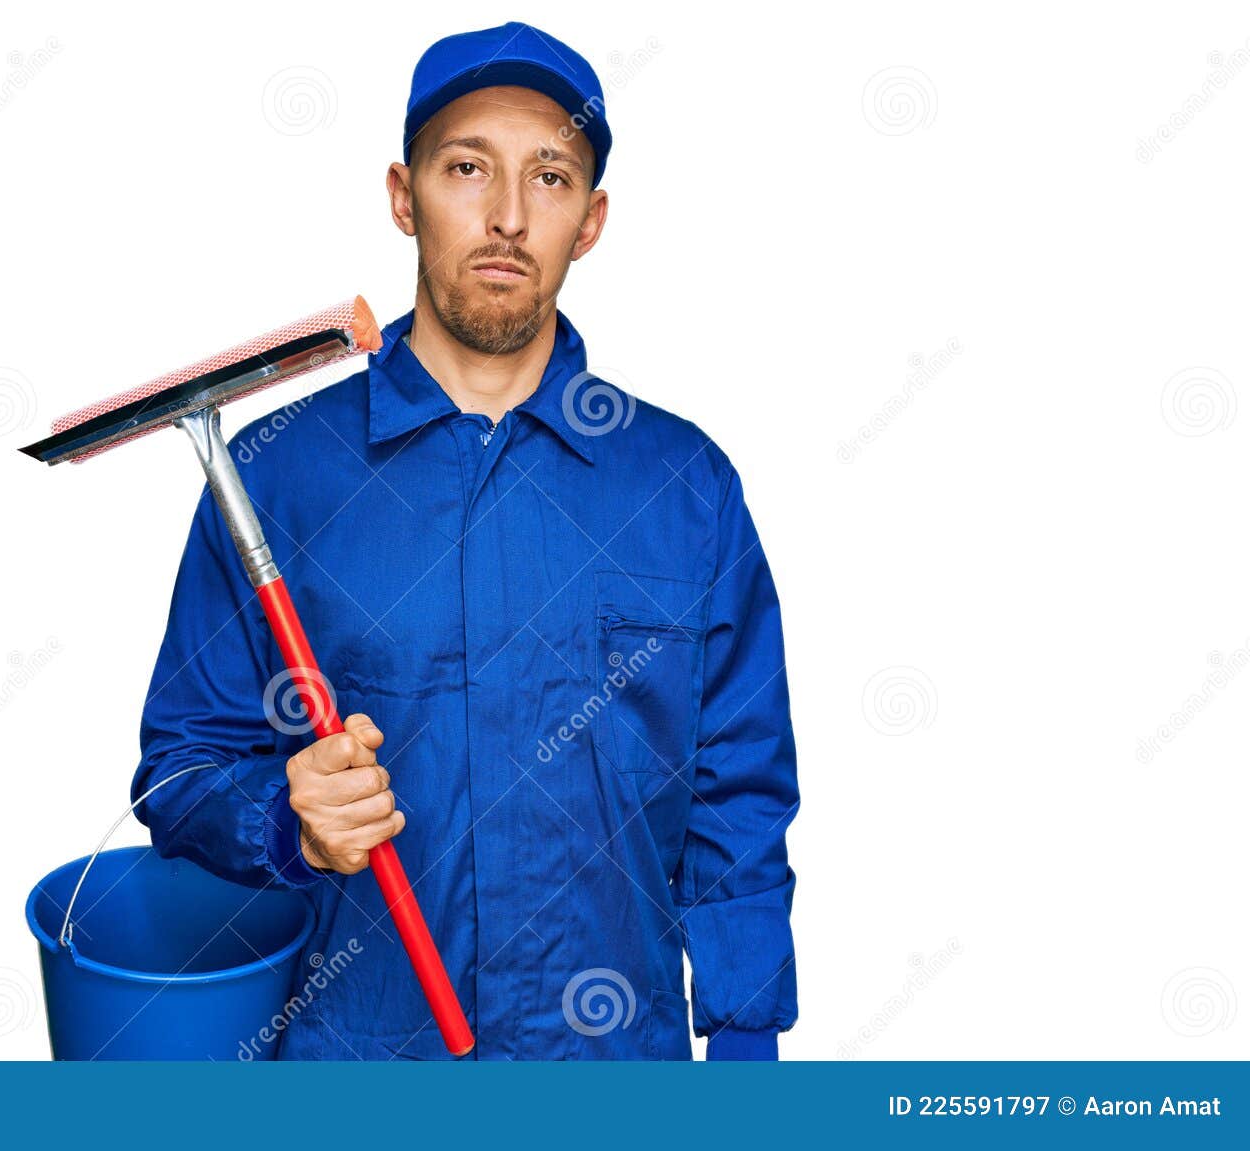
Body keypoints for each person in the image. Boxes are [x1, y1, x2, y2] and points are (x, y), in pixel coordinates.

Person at [133, 20, 800, 1060]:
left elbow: (739, 795)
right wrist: (283, 818)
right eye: (464, 168)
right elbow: (180, 768)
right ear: (403, 197)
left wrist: (749, 1046)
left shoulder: (683, 487)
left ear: (591, 220)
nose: (505, 216)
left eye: (548, 175)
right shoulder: (271, 476)